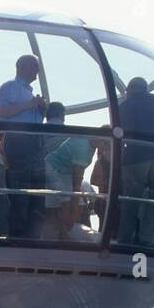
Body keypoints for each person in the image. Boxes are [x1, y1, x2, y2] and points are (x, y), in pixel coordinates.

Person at [115, 76, 154, 246]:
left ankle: (126, 240)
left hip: (135, 157)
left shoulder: (124, 106)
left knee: (131, 202)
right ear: (146, 88)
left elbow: (117, 134)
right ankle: (147, 240)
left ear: (129, 90)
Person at [0, 54, 47, 239]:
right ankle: (18, 238)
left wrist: (39, 109)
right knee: (20, 195)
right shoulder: (10, 87)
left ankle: (32, 237)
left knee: (37, 196)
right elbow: (1, 112)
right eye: (35, 66)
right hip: (18, 144)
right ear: (22, 67)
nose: (37, 71)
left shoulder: (29, 93)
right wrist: (30, 104)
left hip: (34, 146)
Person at [42, 102, 100, 240]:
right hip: (64, 172)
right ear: (62, 115)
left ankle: (52, 236)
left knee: (53, 205)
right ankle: (75, 235)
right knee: (80, 200)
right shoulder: (71, 133)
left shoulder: (39, 130)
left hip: (43, 172)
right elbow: (77, 176)